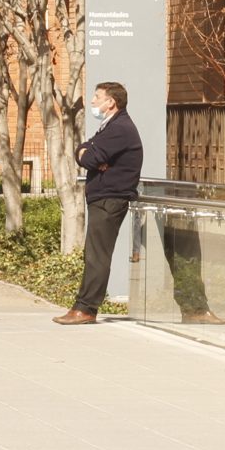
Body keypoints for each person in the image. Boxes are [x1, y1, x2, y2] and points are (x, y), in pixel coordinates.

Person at [56, 81, 142, 325]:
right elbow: (83, 152)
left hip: (109, 199)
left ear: (110, 102)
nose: (92, 102)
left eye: (97, 97)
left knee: (97, 255)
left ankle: (86, 309)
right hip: (103, 198)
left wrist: (89, 154)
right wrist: (87, 153)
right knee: (93, 253)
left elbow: (90, 156)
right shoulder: (110, 126)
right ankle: (83, 306)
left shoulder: (120, 128)